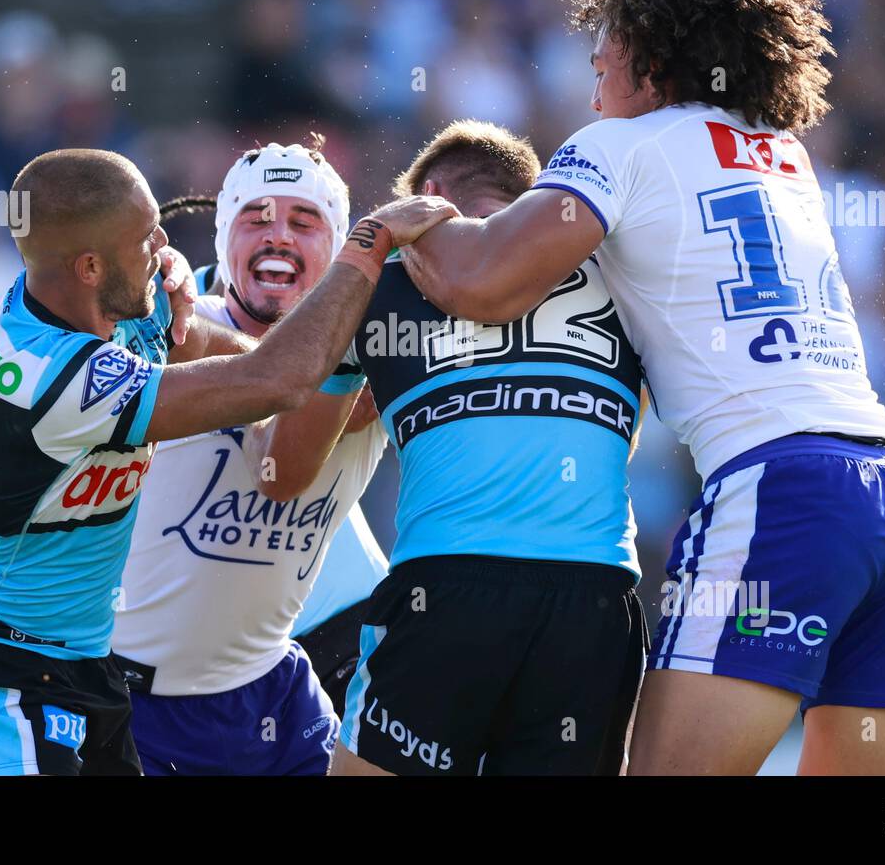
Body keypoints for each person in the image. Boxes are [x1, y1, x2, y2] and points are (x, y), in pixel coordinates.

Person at [383, 0, 885, 775]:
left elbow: (482, 282)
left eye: (602, 66)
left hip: (784, 492)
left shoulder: (620, 146)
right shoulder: (787, 155)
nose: (593, 94)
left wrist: (410, 216)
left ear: (650, 64)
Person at [0, 147, 444, 775]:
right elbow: (277, 381)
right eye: (146, 238)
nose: (164, 246)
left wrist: (193, 299)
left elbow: (224, 348)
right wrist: (369, 245)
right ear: (91, 266)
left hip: (88, 666)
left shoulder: (97, 297)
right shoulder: (59, 379)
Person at [256, 120, 648, 776]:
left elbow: (281, 472)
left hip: (445, 587)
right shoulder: (616, 270)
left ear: (428, 198)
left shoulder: (377, 277)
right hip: (597, 593)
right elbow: (622, 439)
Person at [111, 140, 389, 775]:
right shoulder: (166, 328)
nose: (279, 235)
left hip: (279, 682)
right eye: (256, 218)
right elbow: (176, 332)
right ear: (223, 243)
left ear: (340, 251)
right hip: (141, 701)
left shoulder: (374, 345)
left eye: (304, 221)